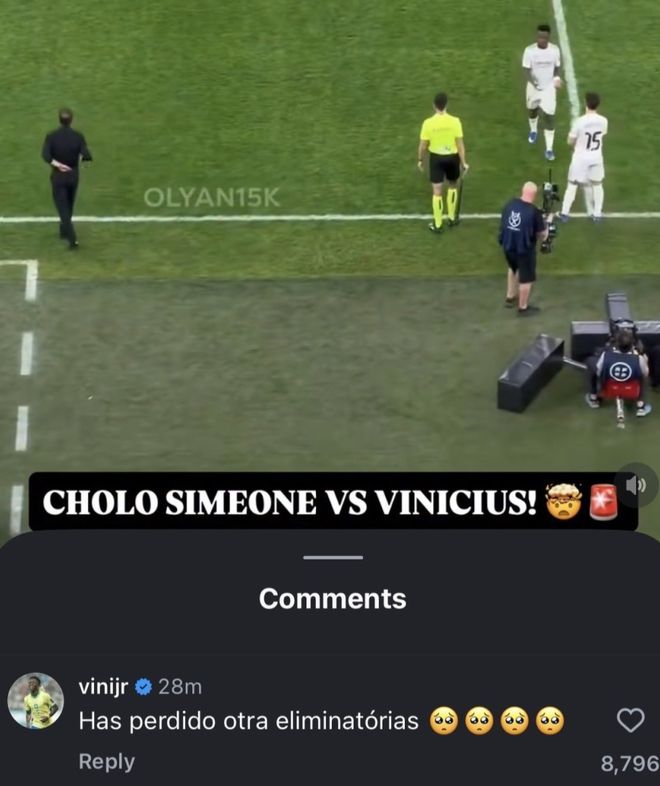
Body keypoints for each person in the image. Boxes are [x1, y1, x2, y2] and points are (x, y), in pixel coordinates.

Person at [417, 92, 469, 234]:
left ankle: (438, 224)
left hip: (436, 159)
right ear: (447, 105)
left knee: (437, 191)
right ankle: (451, 218)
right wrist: (464, 162)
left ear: (434, 106)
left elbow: (423, 145)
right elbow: (460, 145)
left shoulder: (428, 123)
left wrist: (420, 160)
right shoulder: (455, 121)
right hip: (452, 158)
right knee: (452, 185)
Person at [41, 108, 93, 249]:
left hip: (59, 176)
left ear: (59, 120)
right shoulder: (78, 136)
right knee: (69, 205)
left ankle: (72, 239)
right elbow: (87, 156)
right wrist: (81, 163)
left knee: (62, 208)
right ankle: (63, 230)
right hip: (73, 175)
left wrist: (58, 165)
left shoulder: (51, 136)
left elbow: (46, 156)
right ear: (71, 120)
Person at [498, 182, 548, 315]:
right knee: (526, 278)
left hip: (508, 246)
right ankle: (523, 307)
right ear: (534, 195)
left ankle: (510, 297)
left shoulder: (510, 204)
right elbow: (542, 234)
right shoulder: (534, 212)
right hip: (524, 249)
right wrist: (547, 227)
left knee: (513, 268)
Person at [559, 92, 608, 222]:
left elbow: (570, 141)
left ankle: (564, 213)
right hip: (596, 157)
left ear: (586, 103)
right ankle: (597, 214)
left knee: (572, 184)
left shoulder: (580, 122)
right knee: (597, 184)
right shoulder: (603, 121)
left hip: (581, 158)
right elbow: (601, 134)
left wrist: (576, 143)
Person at [585, 321, 652, 417]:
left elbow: (599, 372)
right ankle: (640, 406)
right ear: (632, 344)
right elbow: (646, 373)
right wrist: (644, 357)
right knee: (641, 375)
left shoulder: (606, 355)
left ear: (617, 343)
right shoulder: (639, 359)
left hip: (609, 388)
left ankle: (593, 398)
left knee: (590, 361)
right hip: (631, 389)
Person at [522, 23, 562, 161]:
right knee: (532, 110)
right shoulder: (529, 51)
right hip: (533, 87)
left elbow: (557, 67)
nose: (541, 40)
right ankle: (533, 130)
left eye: (544, 38)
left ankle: (549, 149)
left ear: (548, 37)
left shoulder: (554, 50)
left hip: (549, 88)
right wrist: (533, 82)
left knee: (549, 117)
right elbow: (526, 69)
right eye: (539, 37)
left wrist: (556, 78)